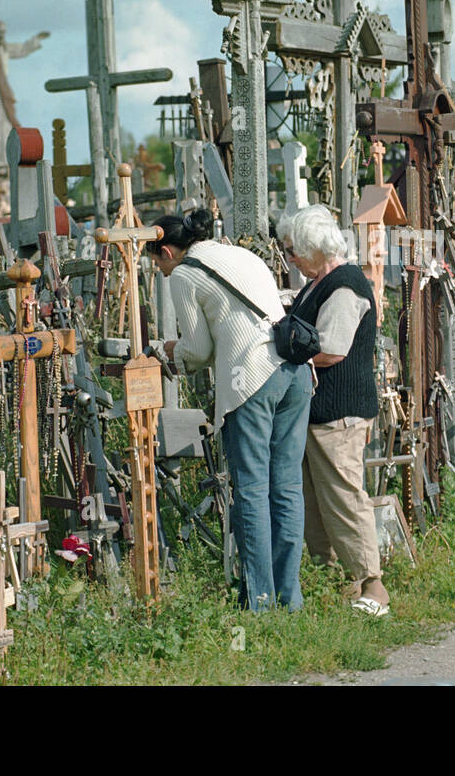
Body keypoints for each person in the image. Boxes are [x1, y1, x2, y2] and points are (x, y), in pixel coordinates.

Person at [146, 210, 313, 611]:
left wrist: (169, 350)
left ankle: (259, 601)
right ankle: (289, 599)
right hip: (295, 371)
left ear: (167, 251)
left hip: (253, 378)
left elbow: (199, 350)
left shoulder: (185, 274)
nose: (164, 274)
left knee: (252, 490)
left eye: (159, 266)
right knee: (287, 487)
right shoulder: (237, 254)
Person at [276, 205, 389, 617]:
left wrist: (285, 352)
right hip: (318, 414)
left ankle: (373, 586)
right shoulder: (317, 283)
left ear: (314, 249)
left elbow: (330, 349)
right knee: (314, 501)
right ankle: (335, 582)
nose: (290, 258)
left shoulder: (344, 287)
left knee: (343, 496)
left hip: (340, 413)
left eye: (293, 251)